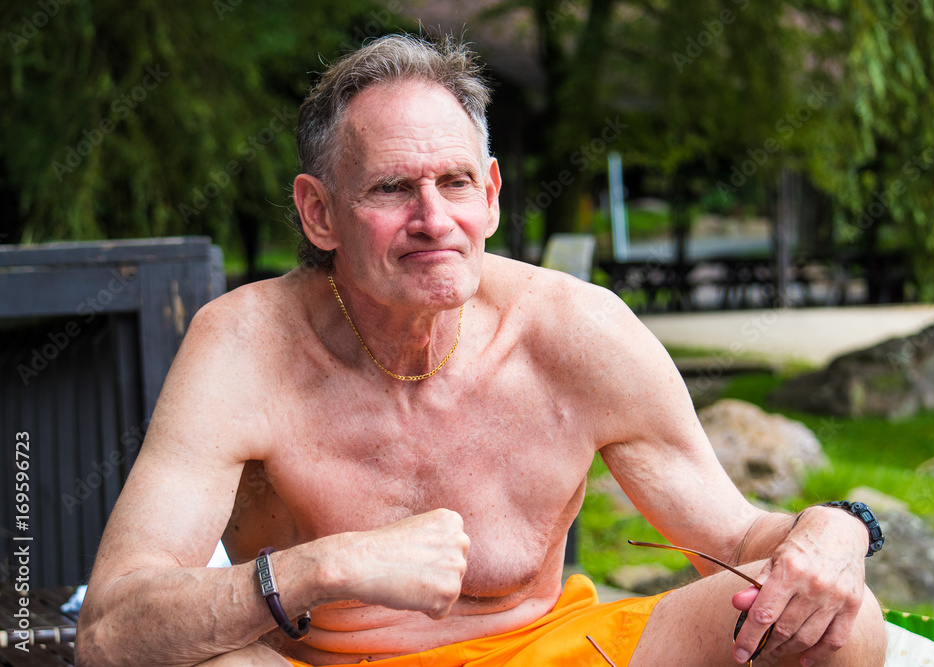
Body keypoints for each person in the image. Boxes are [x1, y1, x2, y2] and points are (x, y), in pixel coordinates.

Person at [76, 33, 887, 667]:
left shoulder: (578, 329)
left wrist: (839, 529)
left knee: (840, 624)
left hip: (558, 650)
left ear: (492, 195)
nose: (434, 219)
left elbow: (739, 541)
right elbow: (110, 628)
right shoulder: (242, 345)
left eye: (455, 183)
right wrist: (326, 567)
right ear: (318, 213)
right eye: (393, 189)